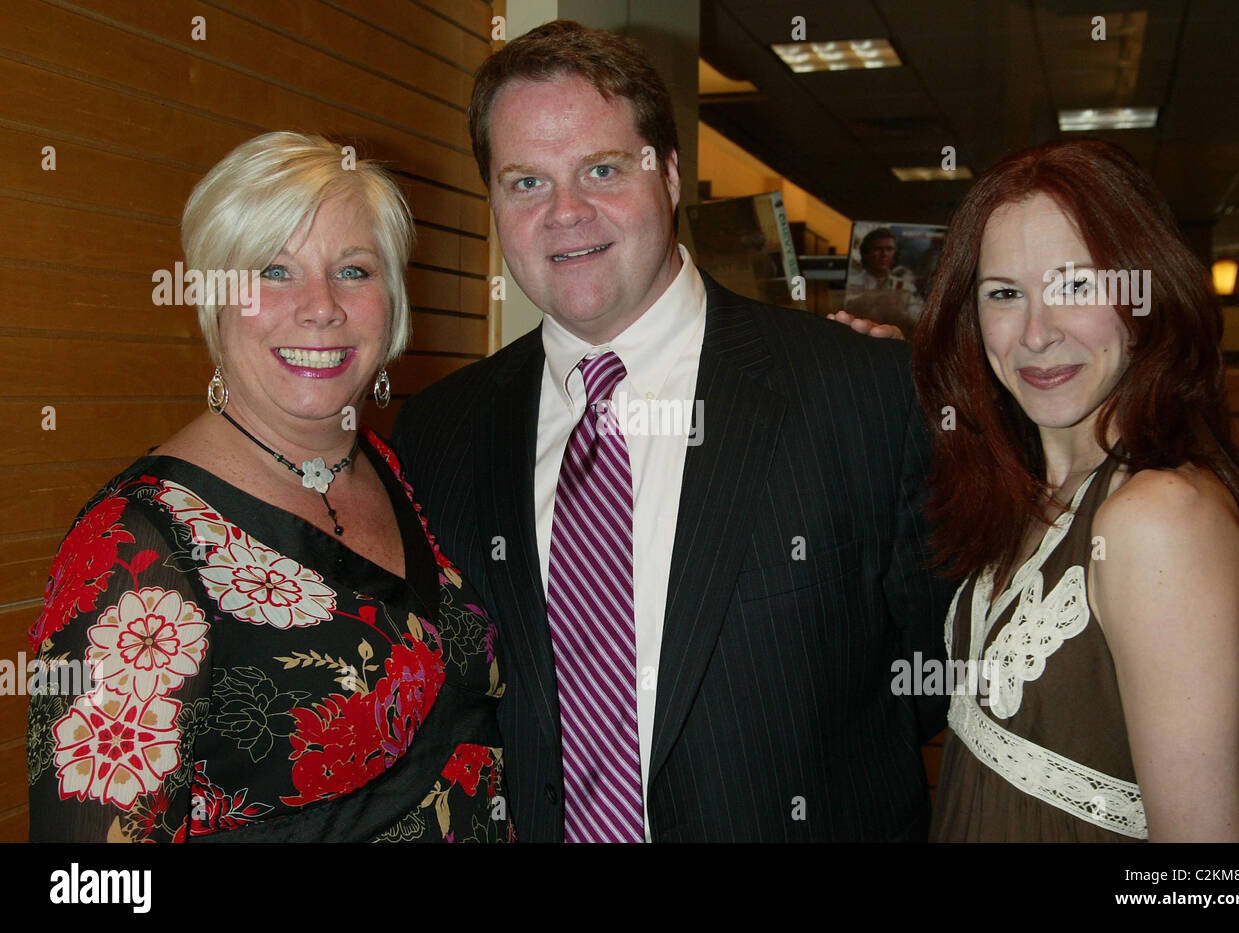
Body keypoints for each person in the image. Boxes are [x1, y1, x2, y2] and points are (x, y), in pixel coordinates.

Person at [393, 20, 953, 842]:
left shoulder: (859, 391)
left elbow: (932, 668)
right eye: (526, 183)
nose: (566, 213)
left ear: (672, 175)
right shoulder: (436, 432)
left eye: (603, 168)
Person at [27, 132, 508, 843]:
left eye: (353, 269)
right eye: (274, 271)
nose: (320, 307)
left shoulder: (395, 465)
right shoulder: (133, 551)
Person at [911, 139, 1239, 841]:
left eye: (1077, 285)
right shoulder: (1031, 494)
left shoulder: (1157, 516)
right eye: (1005, 294)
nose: (1038, 333)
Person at [845, 227, 924, 335]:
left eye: (889, 249)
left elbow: (920, 319)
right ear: (866, 253)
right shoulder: (852, 282)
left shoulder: (906, 286)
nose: (884, 254)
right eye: (878, 249)